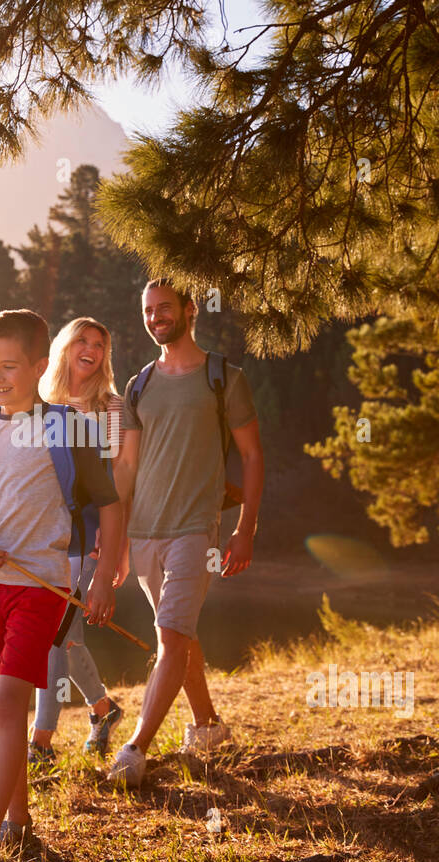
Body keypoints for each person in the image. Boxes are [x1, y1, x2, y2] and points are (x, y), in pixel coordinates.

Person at [0, 309, 124, 862]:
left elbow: (110, 507)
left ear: (41, 365)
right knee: (5, 706)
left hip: (43, 586)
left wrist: (107, 577)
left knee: (8, 700)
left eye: (9, 366)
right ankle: (19, 821)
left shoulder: (67, 429)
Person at [107, 279, 265, 787]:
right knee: (181, 634)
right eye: (148, 310)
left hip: (197, 527)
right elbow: (126, 465)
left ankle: (135, 749)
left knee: (170, 636)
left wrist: (246, 529)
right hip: (144, 530)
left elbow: (252, 456)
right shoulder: (140, 385)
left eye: (165, 309)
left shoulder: (223, 377)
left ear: (190, 311)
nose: (156, 317)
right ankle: (208, 726)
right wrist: (115, 542)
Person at [29, 317, 127, 766]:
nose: (90, 349)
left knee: (54, 634)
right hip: (44, 536)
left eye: (100, 344)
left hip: (85, 537)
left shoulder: (110, 408)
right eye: (82, 341)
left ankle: (41, 742)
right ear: (65, 348)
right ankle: (103, 712)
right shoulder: (41, 403)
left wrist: (113, 545)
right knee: (67, 636)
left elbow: (114, 483)